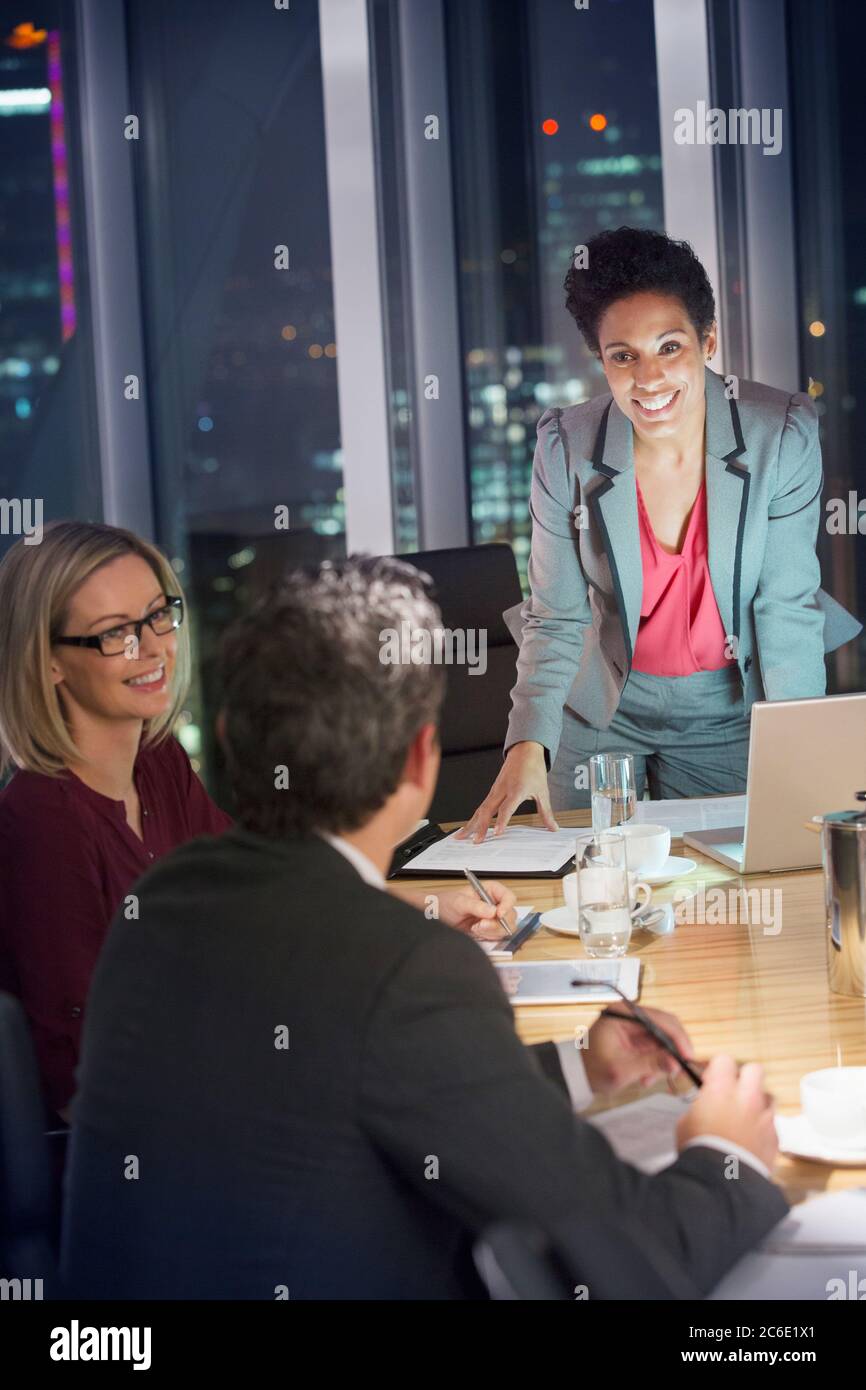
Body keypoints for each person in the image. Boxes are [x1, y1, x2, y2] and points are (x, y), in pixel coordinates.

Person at [62, 556, 787, 1300]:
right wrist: (726, 1160)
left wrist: (577, 1065)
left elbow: (344, 1085)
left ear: (225, 734)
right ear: (421, 759)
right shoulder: (411, 965)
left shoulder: (159, 906)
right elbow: (633, 1262)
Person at [457, 226, 862, 842]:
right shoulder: (565, 446)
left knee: (727, 894)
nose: (648, 378)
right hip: (599, 706)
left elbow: (784, 608)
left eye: (669, 347)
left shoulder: (779, 433)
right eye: (623, 356)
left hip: (726, 709)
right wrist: (527, 746)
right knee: (573, 875)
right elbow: (557, 616)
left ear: (708, 342)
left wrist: (796, 750)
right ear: (601, 360)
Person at [0, 521, 233, 1121]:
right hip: (139, 1153)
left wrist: (424, 914)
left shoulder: (157, 760)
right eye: (115, 635)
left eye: (159, 615)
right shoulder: (42, 822)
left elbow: (255, 887)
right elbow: (83, 1080)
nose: (152, 648)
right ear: (49, 661)